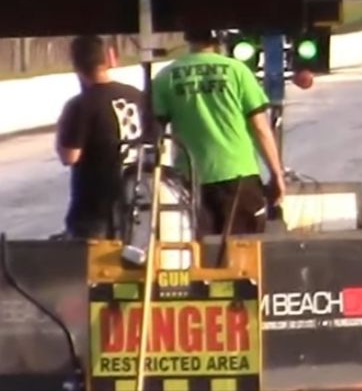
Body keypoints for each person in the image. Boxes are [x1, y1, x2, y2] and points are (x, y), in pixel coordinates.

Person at [151, 28, 286, 236]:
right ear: (219, 40)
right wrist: (276, 174)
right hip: (238, 174)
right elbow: (260, 128)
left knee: (200, 247)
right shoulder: (237, 71)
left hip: (190, 178)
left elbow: (155, 131)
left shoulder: (165, 77)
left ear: (188, 39)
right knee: (244, 247)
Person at [54, 35, 152, 240]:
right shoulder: (136, 95)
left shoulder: (80, 105)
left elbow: (69, 156)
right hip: (137, 196)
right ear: (109, 58)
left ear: (76, 66)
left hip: (95, 206)